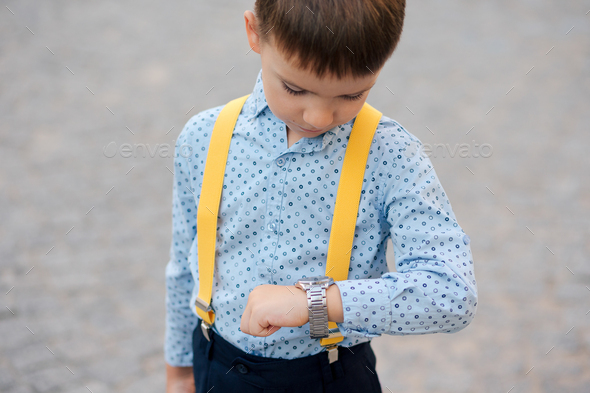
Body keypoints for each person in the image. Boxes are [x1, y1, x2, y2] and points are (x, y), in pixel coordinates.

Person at [165, 1, 478, 392]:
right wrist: (179, 369)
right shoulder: (204, 137)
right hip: (214, 362)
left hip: (330, 375)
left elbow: (452, 292)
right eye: (295, 88)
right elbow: (183, 263)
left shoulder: (391, 155)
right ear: (254, 33)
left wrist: (316, 302)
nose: (318, 117)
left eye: (351, 95)